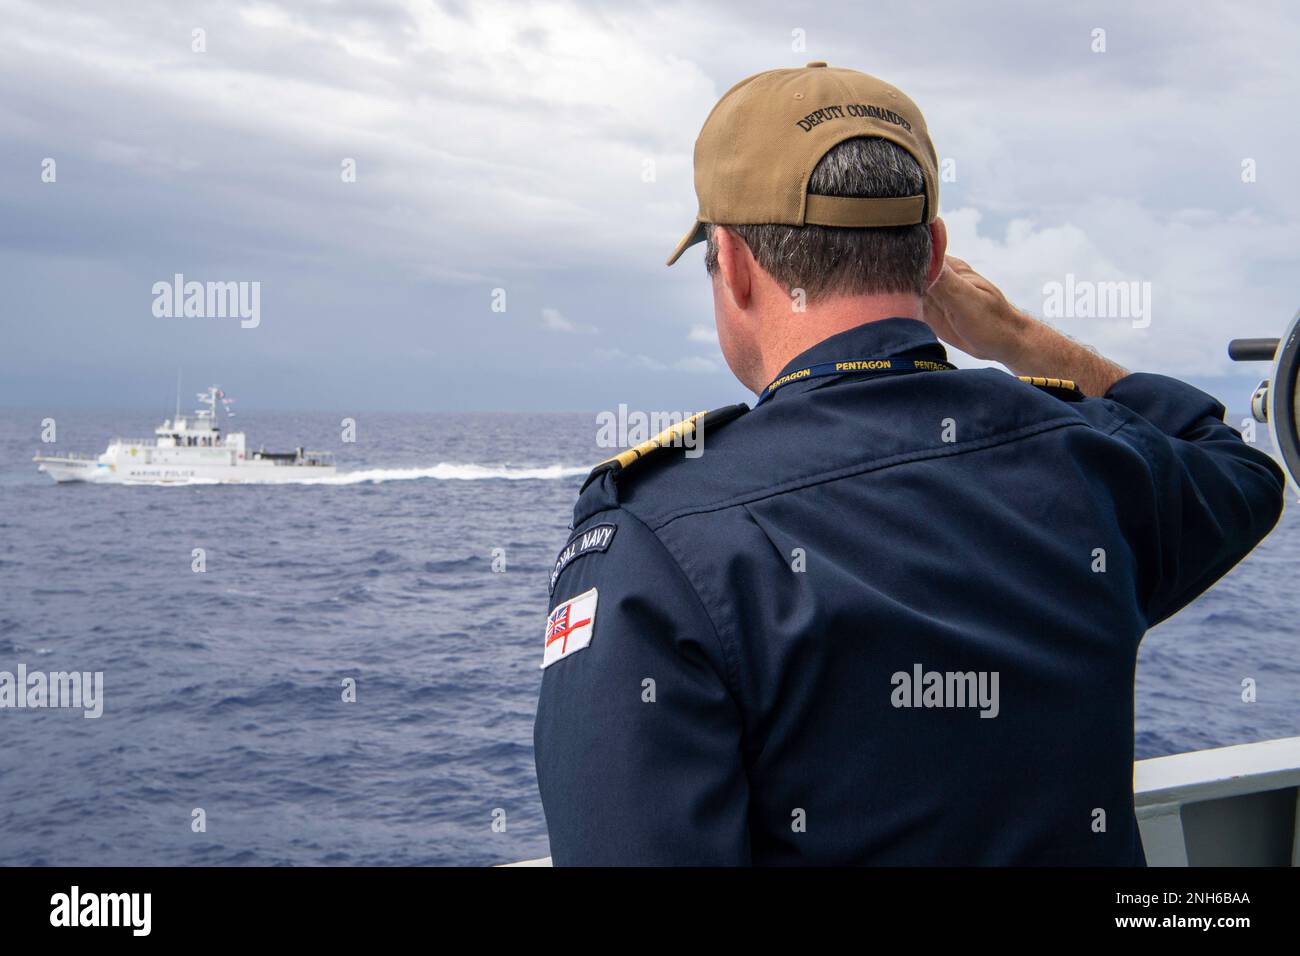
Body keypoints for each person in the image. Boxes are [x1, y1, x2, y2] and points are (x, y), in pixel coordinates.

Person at [532, 62, 1286, 865]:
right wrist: (1018, 338)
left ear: (735, 262)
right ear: (932, 255)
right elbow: (1234, 467)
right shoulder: (1088, 463)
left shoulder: (655, 548)